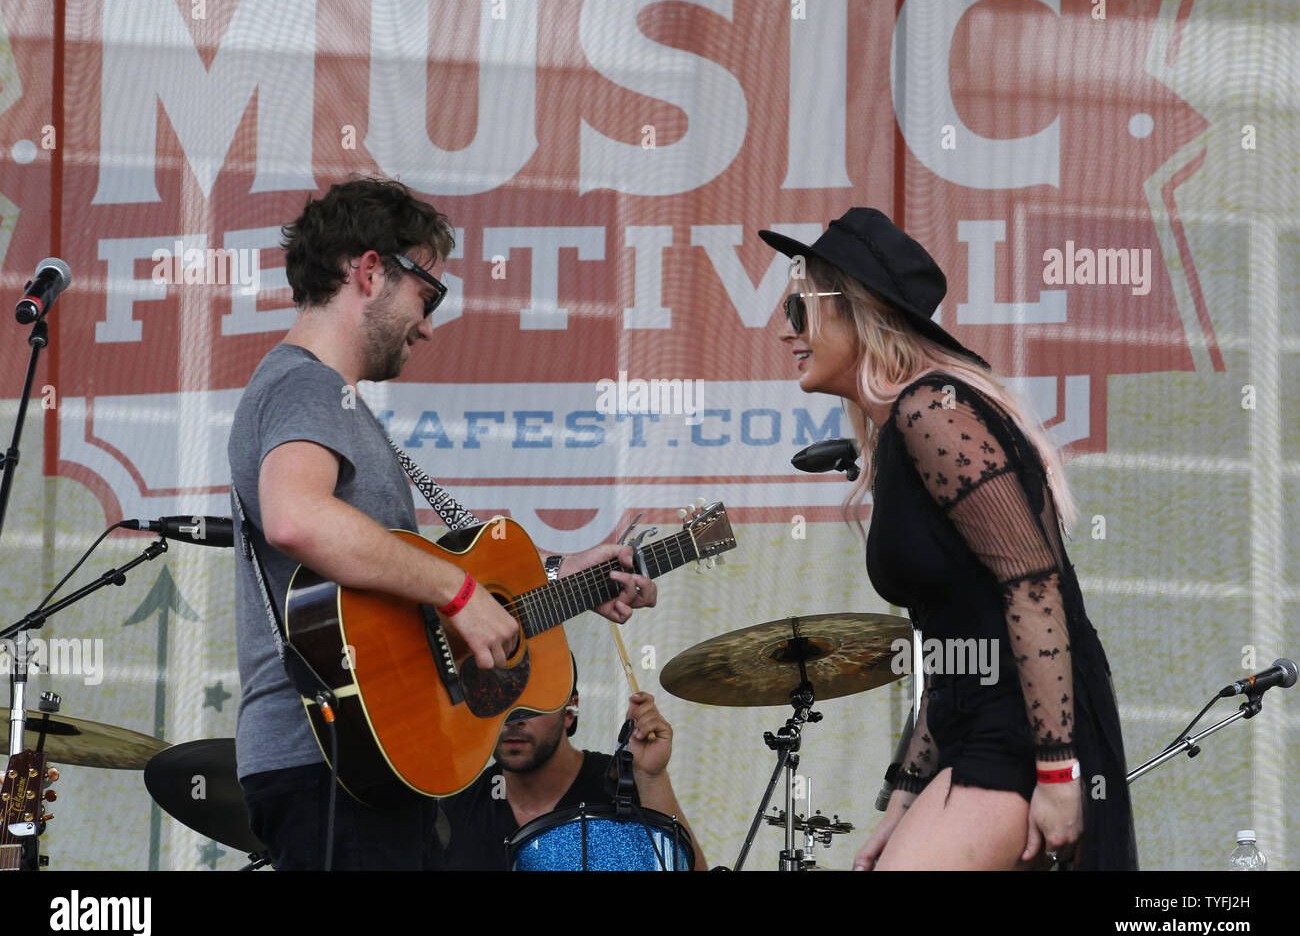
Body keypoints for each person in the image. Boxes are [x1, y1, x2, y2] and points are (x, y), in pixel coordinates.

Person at [227, 178, 657, 870]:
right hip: (332, 766)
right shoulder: (305, 385)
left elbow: (393, 594)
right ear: (370, 272)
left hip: (373, 761)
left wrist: (558, 579)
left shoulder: (337, 403)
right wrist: (459, 593)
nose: (428, 325)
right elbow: (297, 518)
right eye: (429, 295)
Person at [762, 208, 1137, 871]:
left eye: (800, 306)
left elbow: (1034, 585)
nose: (787, 329)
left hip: (1022, 732)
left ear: (856, 312)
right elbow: (952, 644)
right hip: (980, 728)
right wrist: (906, 800)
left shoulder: (932, 411)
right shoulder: (904, 432)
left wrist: (1056, 771)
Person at [435, 668, 706, 870]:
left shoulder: (621, 785)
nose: (513, 720)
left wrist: (651, 777)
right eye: (497, 700)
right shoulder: (455, 808)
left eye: (532, 701)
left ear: (568, 712)